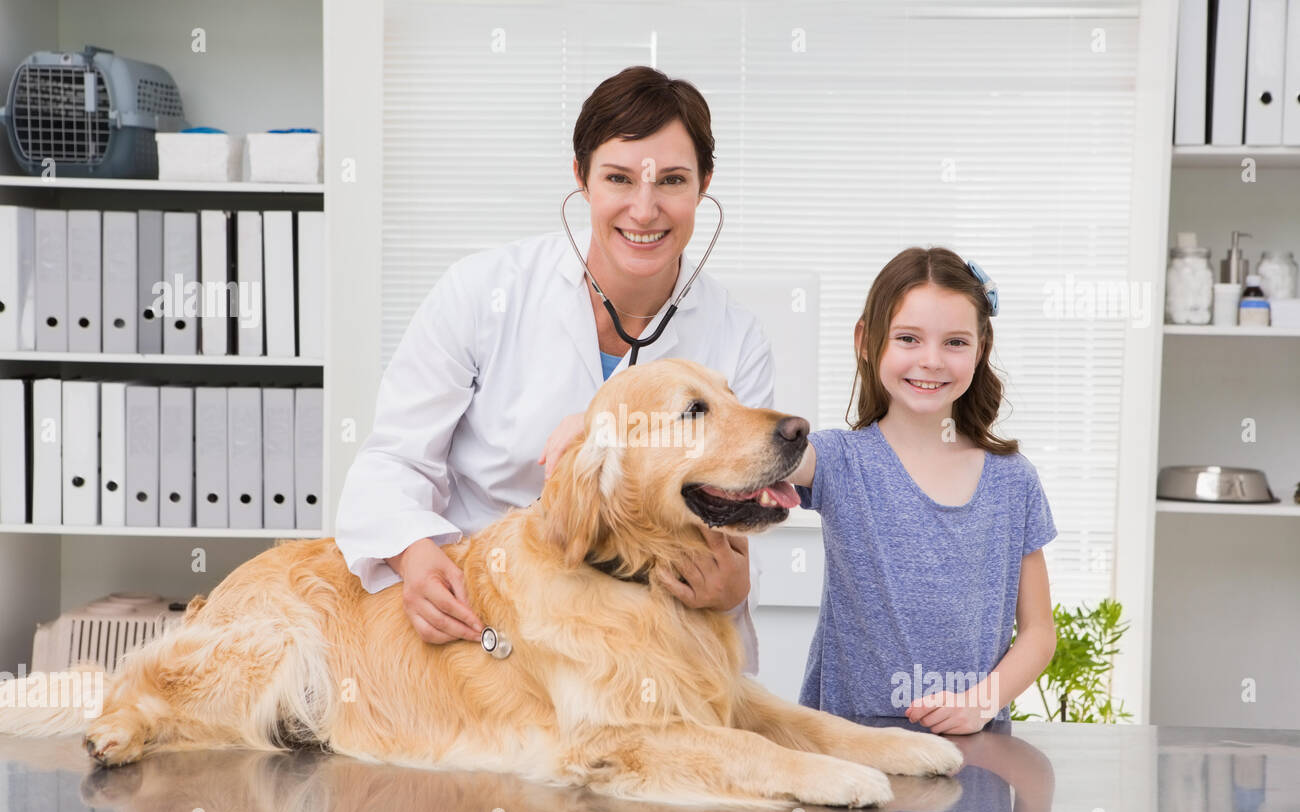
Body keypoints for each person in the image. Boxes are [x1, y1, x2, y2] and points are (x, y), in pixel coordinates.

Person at [334, 66, 776, 673]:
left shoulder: (735, 337)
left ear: (704, 185)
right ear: (581, 178)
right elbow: (396, 459)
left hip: (642, 641)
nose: (644, 210)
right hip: (487, 625)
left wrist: (733, 587)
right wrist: (413, 553)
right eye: (619, 178)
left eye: (672, 180)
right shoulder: (481, 292)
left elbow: (739, 511)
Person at [785, 247, 1058, 734]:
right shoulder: (839, 461)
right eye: (908, 338)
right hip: (851, 747)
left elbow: (1038, 632)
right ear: (866, 342)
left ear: (980, 350)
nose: (930, 361)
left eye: (955, 342)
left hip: (971, 748)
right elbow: (763, 457)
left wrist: (980, 703)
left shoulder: (1013, 480)